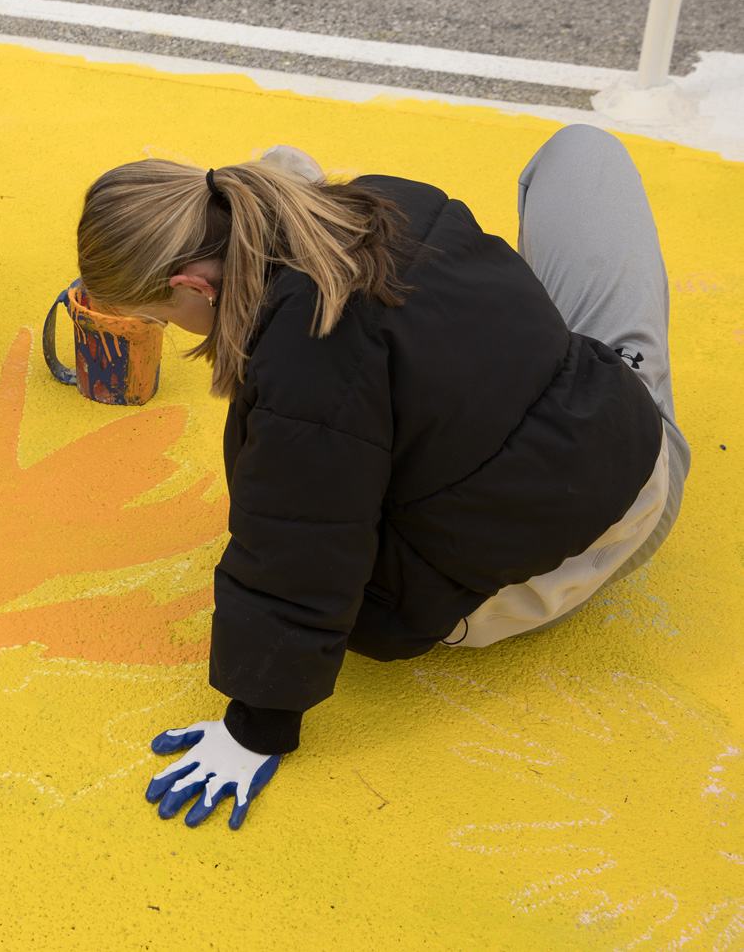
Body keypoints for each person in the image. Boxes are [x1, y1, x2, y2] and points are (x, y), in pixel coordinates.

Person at [74, 126, 688, 829]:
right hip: (612, 419)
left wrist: (256, 727)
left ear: (193, 286)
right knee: (581, 150)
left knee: (341, 445)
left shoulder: (306, 361)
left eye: (162, 317)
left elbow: (299, 546)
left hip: (566, 565)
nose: (174, 331)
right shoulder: (390, 200)